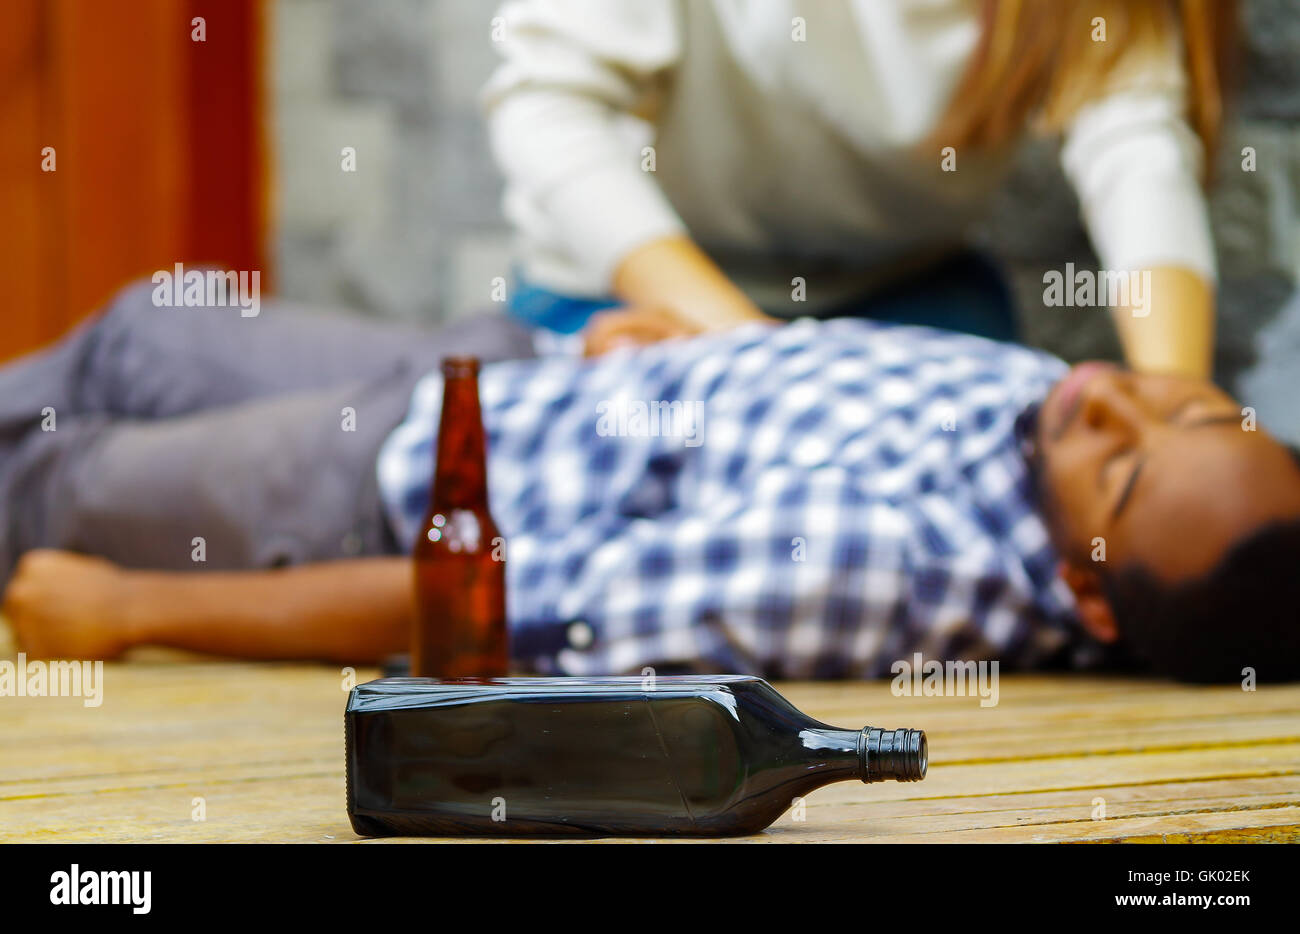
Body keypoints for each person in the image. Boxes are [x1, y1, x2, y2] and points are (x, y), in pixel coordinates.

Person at [3, 282, 1298, 683]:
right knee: (138, 337)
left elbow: (494, 601)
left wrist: (129, 607)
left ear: (1096, 600)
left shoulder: (867, 562)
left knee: (46, 484)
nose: (1107, 392)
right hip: (520, 371)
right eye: (1187, 402)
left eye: (1122, 462)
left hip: (393, 486)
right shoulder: (1060, 419)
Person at [485, 0, 1232, 377]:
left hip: (903, 298)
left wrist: (1173, 400)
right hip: (632, 292)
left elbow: (1136, 152)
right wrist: (750, 351)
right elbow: (549, 108)